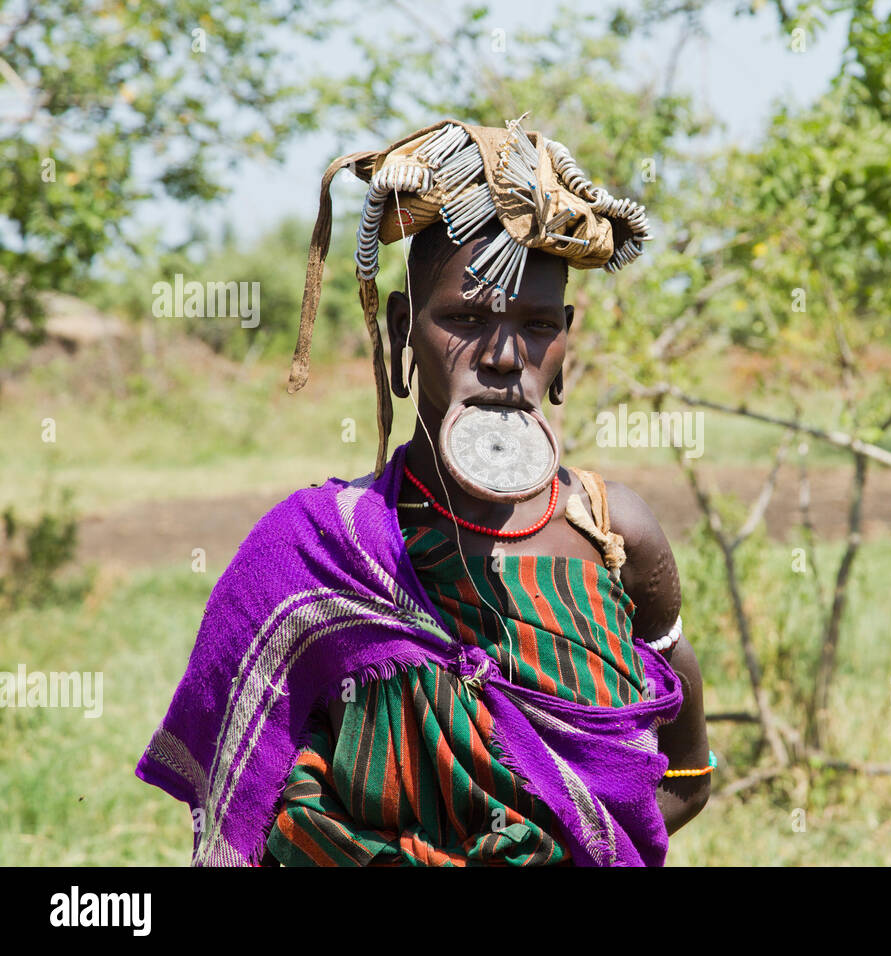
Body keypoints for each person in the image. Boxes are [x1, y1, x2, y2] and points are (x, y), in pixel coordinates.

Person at [137, 114, 711, 867]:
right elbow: (242, 798)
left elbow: (688, 778)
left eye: (537, 325)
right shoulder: (314, 550)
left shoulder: (613, 533)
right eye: (466, 318)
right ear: (406, 326)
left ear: (566, 343)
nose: (506, 356)